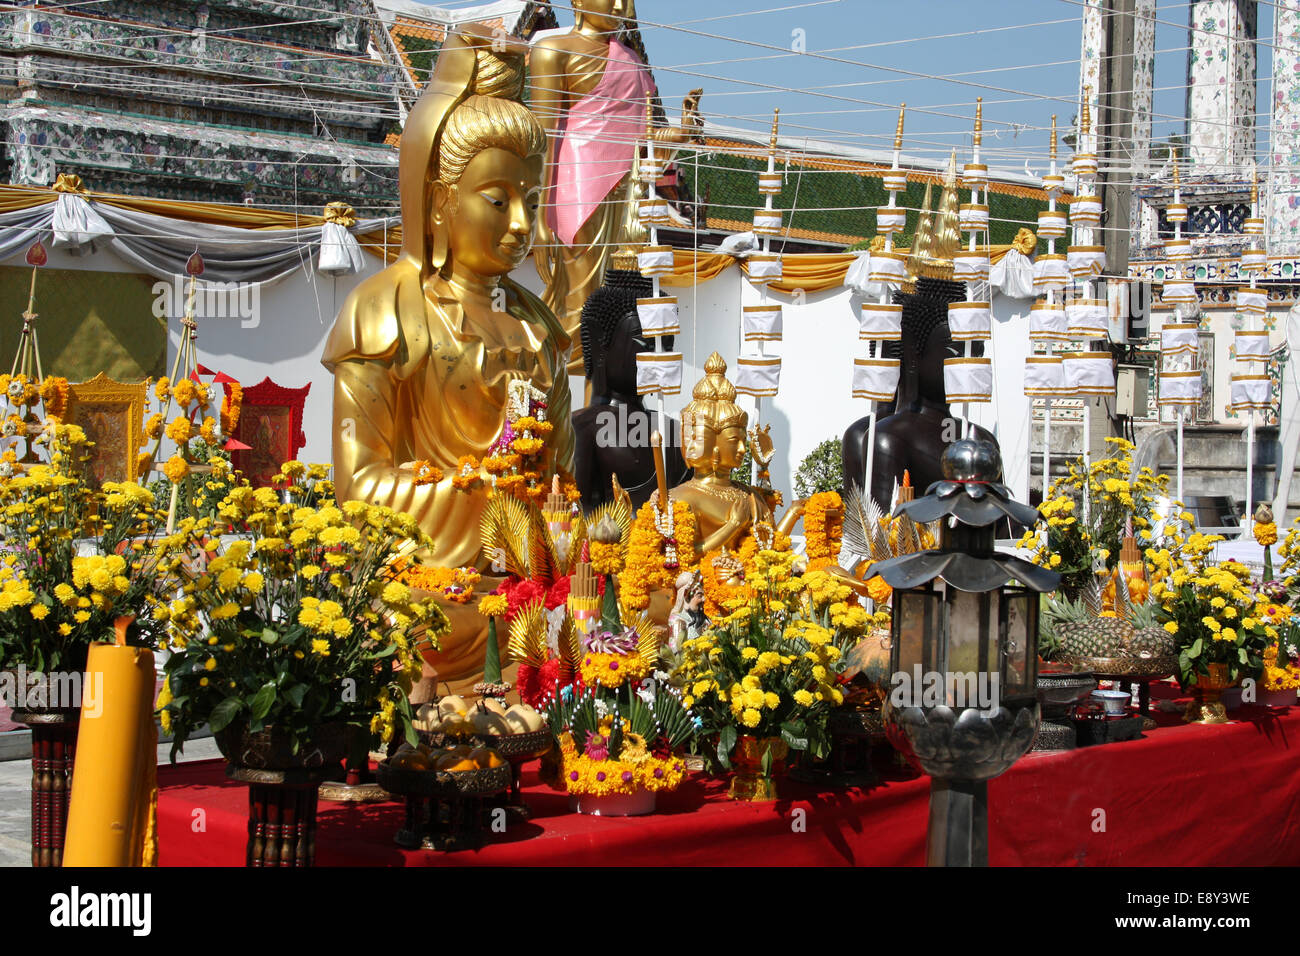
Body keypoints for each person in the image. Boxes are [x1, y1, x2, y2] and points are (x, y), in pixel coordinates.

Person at [321, 26, 572, 684]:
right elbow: (360, 488)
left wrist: (555, 513)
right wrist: (484, 498)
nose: (522, 224)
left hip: (528, 581)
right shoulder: (385, 312)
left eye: (531, 201)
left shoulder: (538, 328)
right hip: (436, 584)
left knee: (641, 605)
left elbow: (559, 479)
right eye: (498, 200)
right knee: (425, 623)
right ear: (438, 201)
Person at [530, 0, 701, 371]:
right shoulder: (552, 50)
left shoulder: (630, 60)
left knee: (618, 296)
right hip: (577, 186)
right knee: (580, 298)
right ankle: (553, 377)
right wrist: (539, 210)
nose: (621, 6)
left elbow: (647, 136)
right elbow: (543, 135)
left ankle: (605, 383)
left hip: (627, 192)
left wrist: (684, 130)